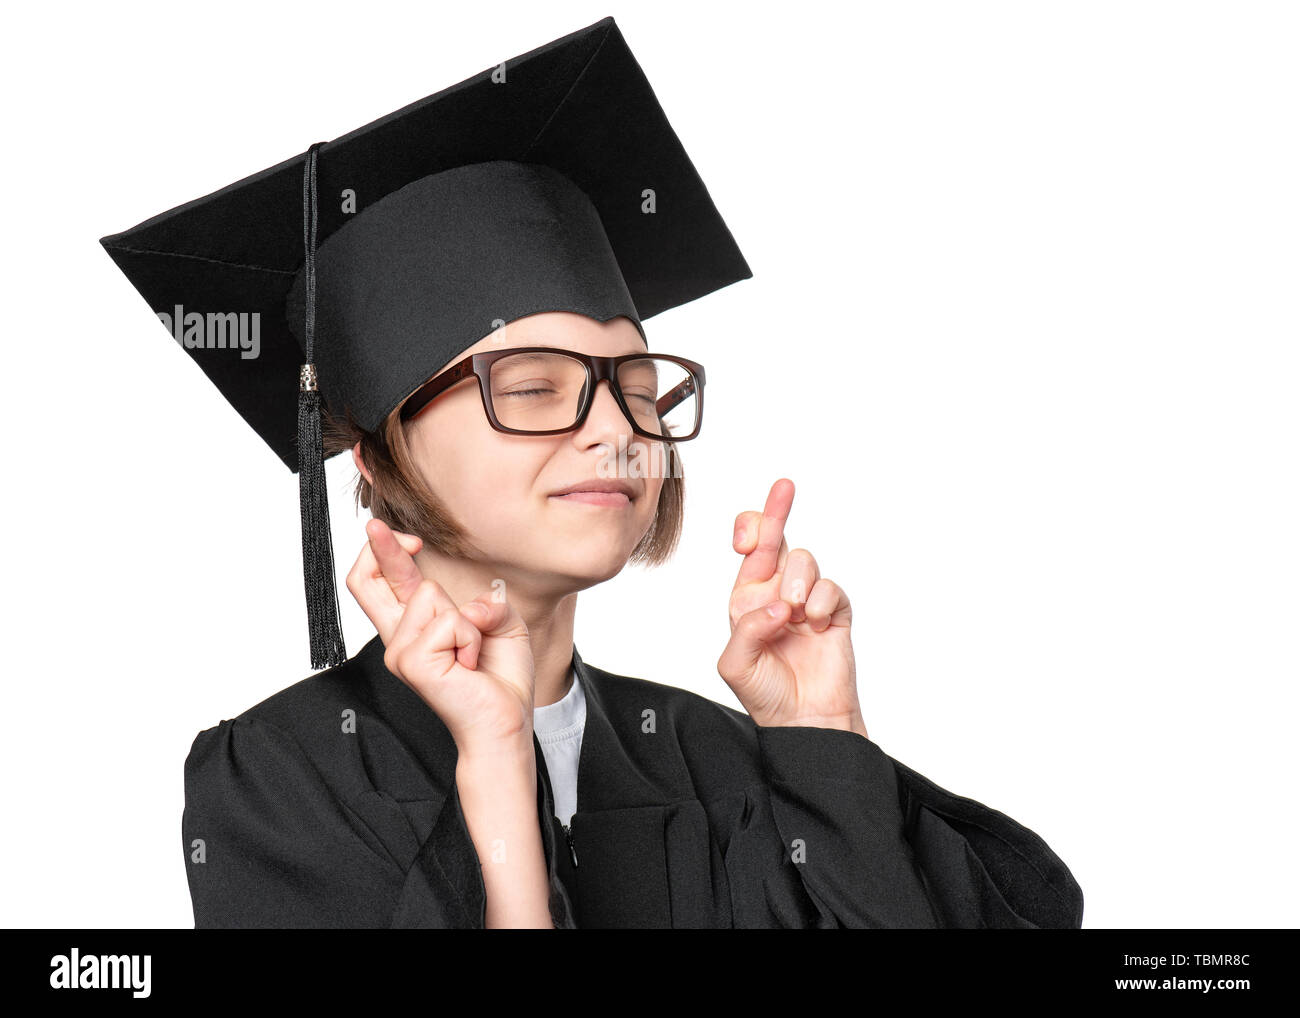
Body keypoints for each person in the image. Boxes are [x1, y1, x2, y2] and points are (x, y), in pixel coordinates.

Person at [100, 16, 1084, 929]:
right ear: (372, 446)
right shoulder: (284, 773)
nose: (617, 427)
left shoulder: (719, 754)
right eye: (530, 388)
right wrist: (493, 776)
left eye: (638, 385)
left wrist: (824, 741)